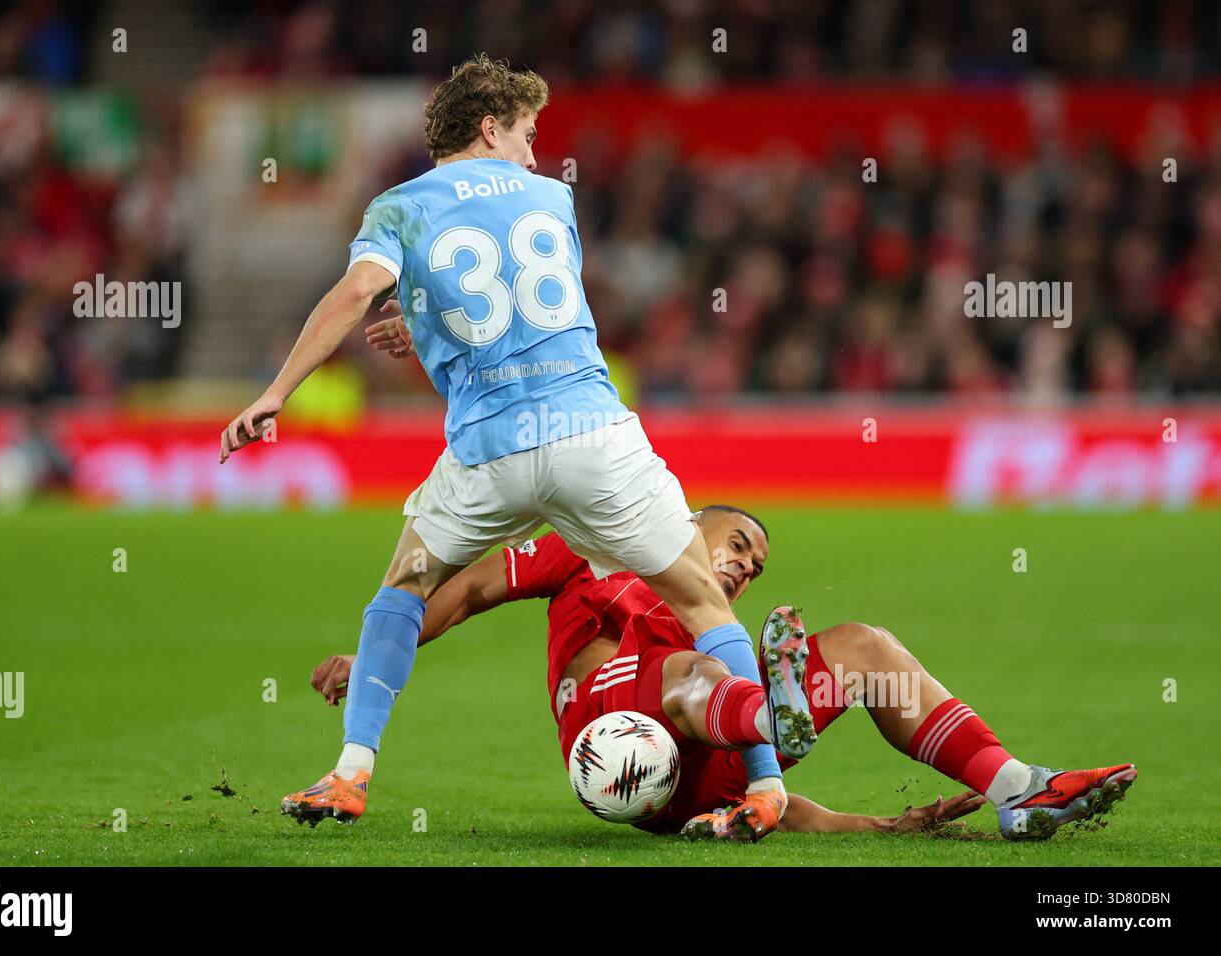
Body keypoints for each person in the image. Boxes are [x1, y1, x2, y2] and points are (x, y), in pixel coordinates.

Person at [218, 55, 785, 823]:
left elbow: (358, 292)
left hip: (493, 451)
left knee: (401, 592)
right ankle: (765, 780)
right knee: (704, 603)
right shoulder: (553, 199)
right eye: (524, 133)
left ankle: (350, 775)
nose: (532, 151)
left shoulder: (400, 206)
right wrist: (424, 324)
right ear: (489, 128)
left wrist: (277, 392)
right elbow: (526, 311)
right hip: (593, 436)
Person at [307, 506, 1136, 841]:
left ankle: (1017, 789)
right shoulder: (596, 544)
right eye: (736, 544)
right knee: (699, 670)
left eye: (756, 564)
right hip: (608, 730)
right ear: (687, 517)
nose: (743, 566)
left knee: (866, 647)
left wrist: (874, 828)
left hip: (704, 772)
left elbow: (755, 797)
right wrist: (378, 654)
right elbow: (471, 589)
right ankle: (769, 711)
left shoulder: (717, 620)